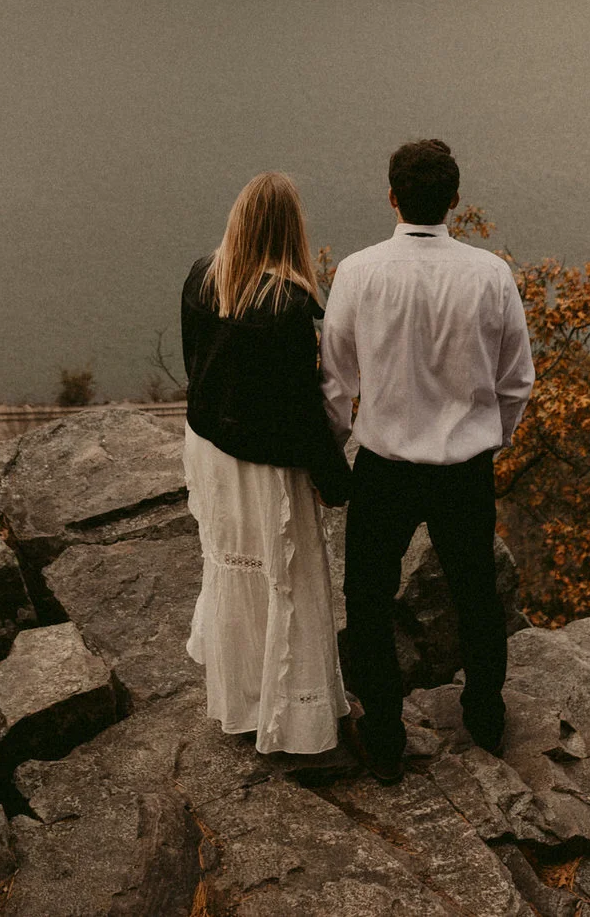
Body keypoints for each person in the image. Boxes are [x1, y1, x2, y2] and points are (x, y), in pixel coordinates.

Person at [322, 138, 533, 782]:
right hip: (464, 470)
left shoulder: (357, 272)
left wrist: (335, 453)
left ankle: (384, 737)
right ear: (455, 200)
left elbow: (335, 382)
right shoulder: (491, 274)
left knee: (367, 601)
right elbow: (516, 381)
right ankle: (485, 718)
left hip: (384, 467)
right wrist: (488, 438)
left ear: (391, 197)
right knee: (477, 596)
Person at [179, 171, 354, 756]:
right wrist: (334, 479)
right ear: (290, 230)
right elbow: (302, 411)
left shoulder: (202, 277)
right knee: (287, 581)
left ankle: (245, 698)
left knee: (235, 569)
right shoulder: (288, 308)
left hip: (210, 449)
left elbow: (195, 365)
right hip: (266, 467)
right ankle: (295, 723)